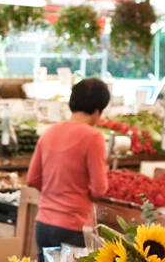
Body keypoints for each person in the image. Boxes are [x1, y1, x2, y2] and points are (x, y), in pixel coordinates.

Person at [26, 77, 111, 252]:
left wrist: (55, 192)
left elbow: (32, 179)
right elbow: (98, 190)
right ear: (97, 110)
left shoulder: (49, 133)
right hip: (73, 226)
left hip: (44, 224)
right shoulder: (93, 137)